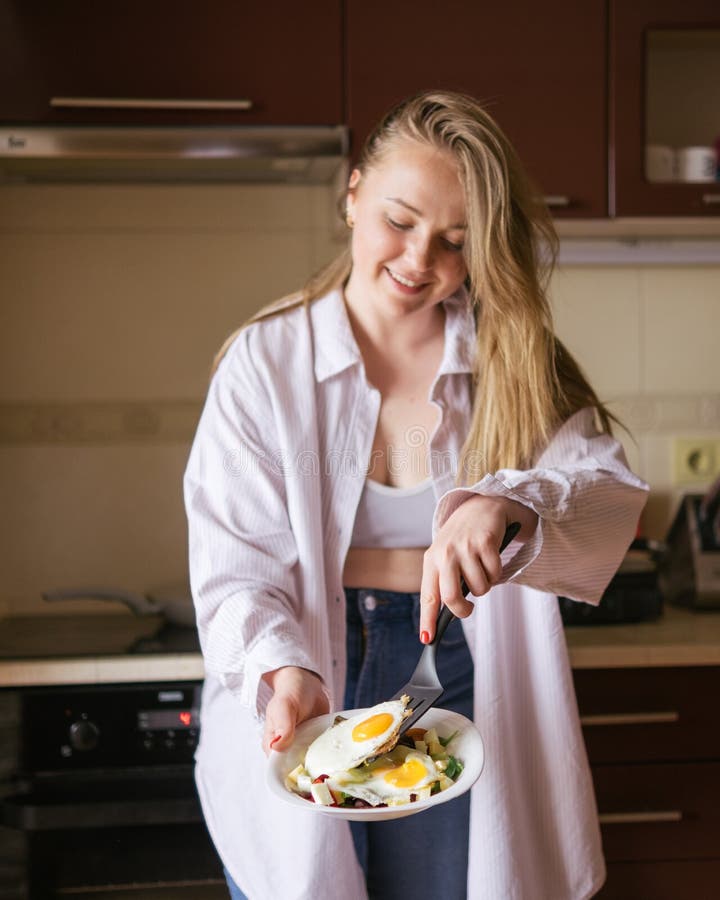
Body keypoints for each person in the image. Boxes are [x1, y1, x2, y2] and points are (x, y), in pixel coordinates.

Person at [183, 90, 648, 900]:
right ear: (354, 192)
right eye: (400, 219)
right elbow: (237, 570)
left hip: (453, 675)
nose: (419, 259)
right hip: (302, 674)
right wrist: (279, 669)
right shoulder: (263, 365)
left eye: (455, 241)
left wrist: (509, 504)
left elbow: (608, 497)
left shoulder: (515, 357)